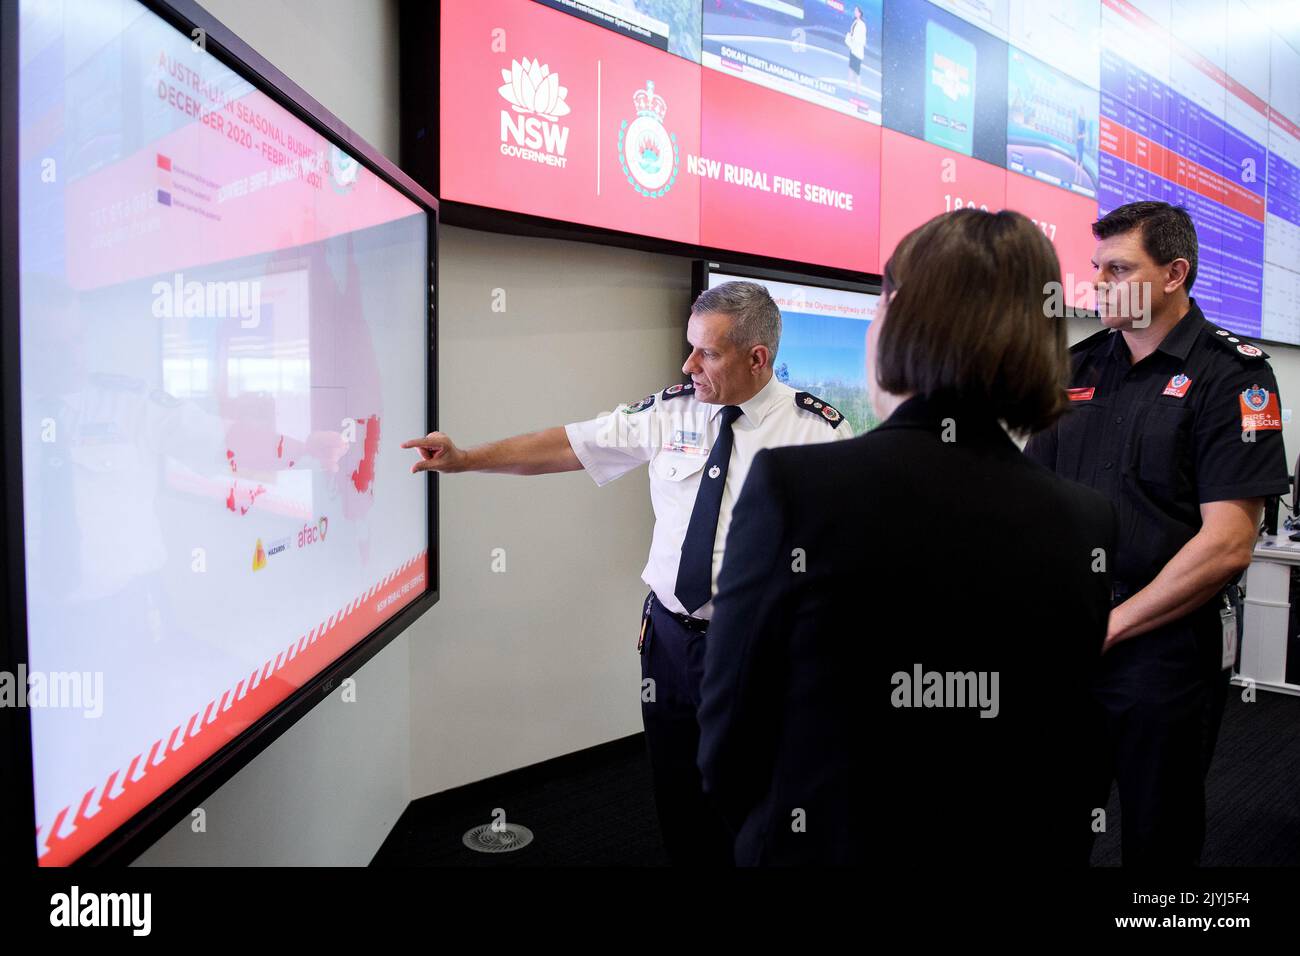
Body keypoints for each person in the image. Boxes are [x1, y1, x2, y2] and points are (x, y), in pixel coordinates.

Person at [698, 210, 1117, 866]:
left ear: (897, 317)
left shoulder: (796, 489)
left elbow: (728, 736)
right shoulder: (1087, 520)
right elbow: (1063, 743)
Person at [401, 281, 854, 865]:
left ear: (757, 357)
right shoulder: (671, 412)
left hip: (756, 649)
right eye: (688, 348)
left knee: (756, 801)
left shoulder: (816, 432)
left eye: (706, 353)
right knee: (677, 793)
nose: (688, 364)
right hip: (666, 640)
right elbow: (567, 445)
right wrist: (465, 459)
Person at [1024, 201, 1290, 865]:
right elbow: (1033, 507)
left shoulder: (1234, 376)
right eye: (1096, 268)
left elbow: (1229, 542)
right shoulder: (1074, 369)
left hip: (1165, 654)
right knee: (1049, 825)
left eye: (1119, 269)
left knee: (1158, 838)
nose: (1098, 283)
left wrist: (1111, 626)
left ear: (1175, 273)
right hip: (1070, 644)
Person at [845, 7, 867, 94]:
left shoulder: (862, 25)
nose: (854, 12)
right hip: (853, 49)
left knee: (857, 72)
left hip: (857, 52)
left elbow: (862, 40)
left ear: (859, 13)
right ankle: (848, 88)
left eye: (856, 11)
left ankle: (858, 91)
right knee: (850, 69)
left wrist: (853, 39)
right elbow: (852, 34)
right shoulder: (855, 22)